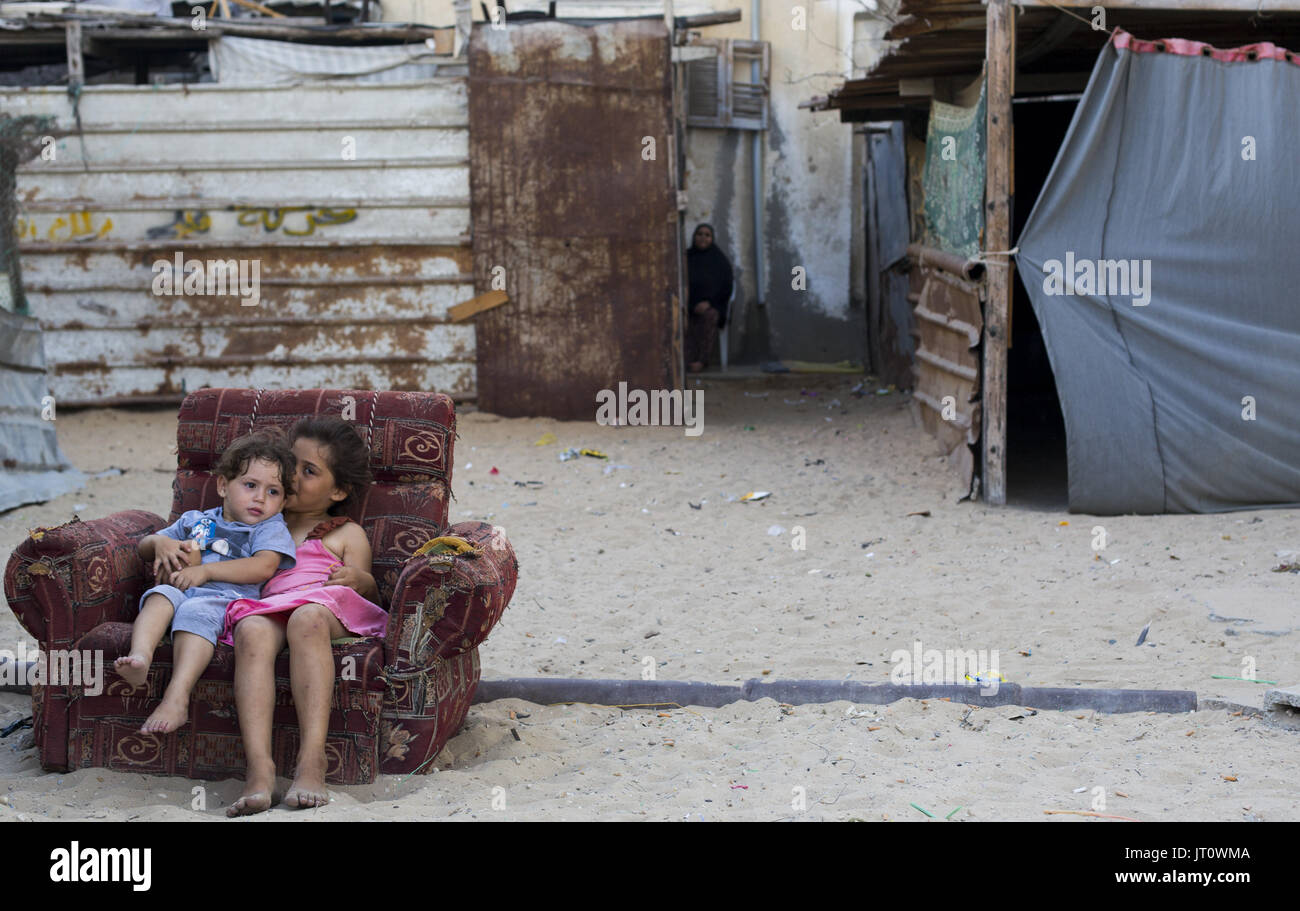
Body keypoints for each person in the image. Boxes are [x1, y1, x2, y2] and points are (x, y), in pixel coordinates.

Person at [225, 417, 387, 816]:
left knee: (306, 619)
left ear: (339, 490)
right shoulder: (259, 523)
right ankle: (259, 768)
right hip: (269, 609)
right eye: (289, 463)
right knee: (250, 630)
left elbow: (365, 589)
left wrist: (358, 578)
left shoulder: (344, 534)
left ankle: (312, 760)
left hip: (324, 609)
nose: (292, 476)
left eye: (308, 470)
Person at [116, 431, 298, 735]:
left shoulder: (269, 528)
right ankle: (141, 656)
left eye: (273, 492)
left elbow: (264, 566)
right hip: (182, 588)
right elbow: (145, 546)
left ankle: (177, 696)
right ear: (223, 485)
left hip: (226, 600)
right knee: (160, 594)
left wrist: (207, 573)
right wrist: (160, 545)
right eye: (250, 485)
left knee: (193, 612)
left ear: (283, 502)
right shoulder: (196, 520)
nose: (260, 498)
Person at [685, 222, 734, 373]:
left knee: (709, 316)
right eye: (699, 234)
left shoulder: (719, 260)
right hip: (688, 304)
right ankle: (685, 360)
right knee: (680, 318)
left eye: (707, 235)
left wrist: (709, 303)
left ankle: (701, 361)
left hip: (712, 305)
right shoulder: (686, 258)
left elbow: (726, 287)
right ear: (694, 237)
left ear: (712, 239)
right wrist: (691, 305)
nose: (703, 238)